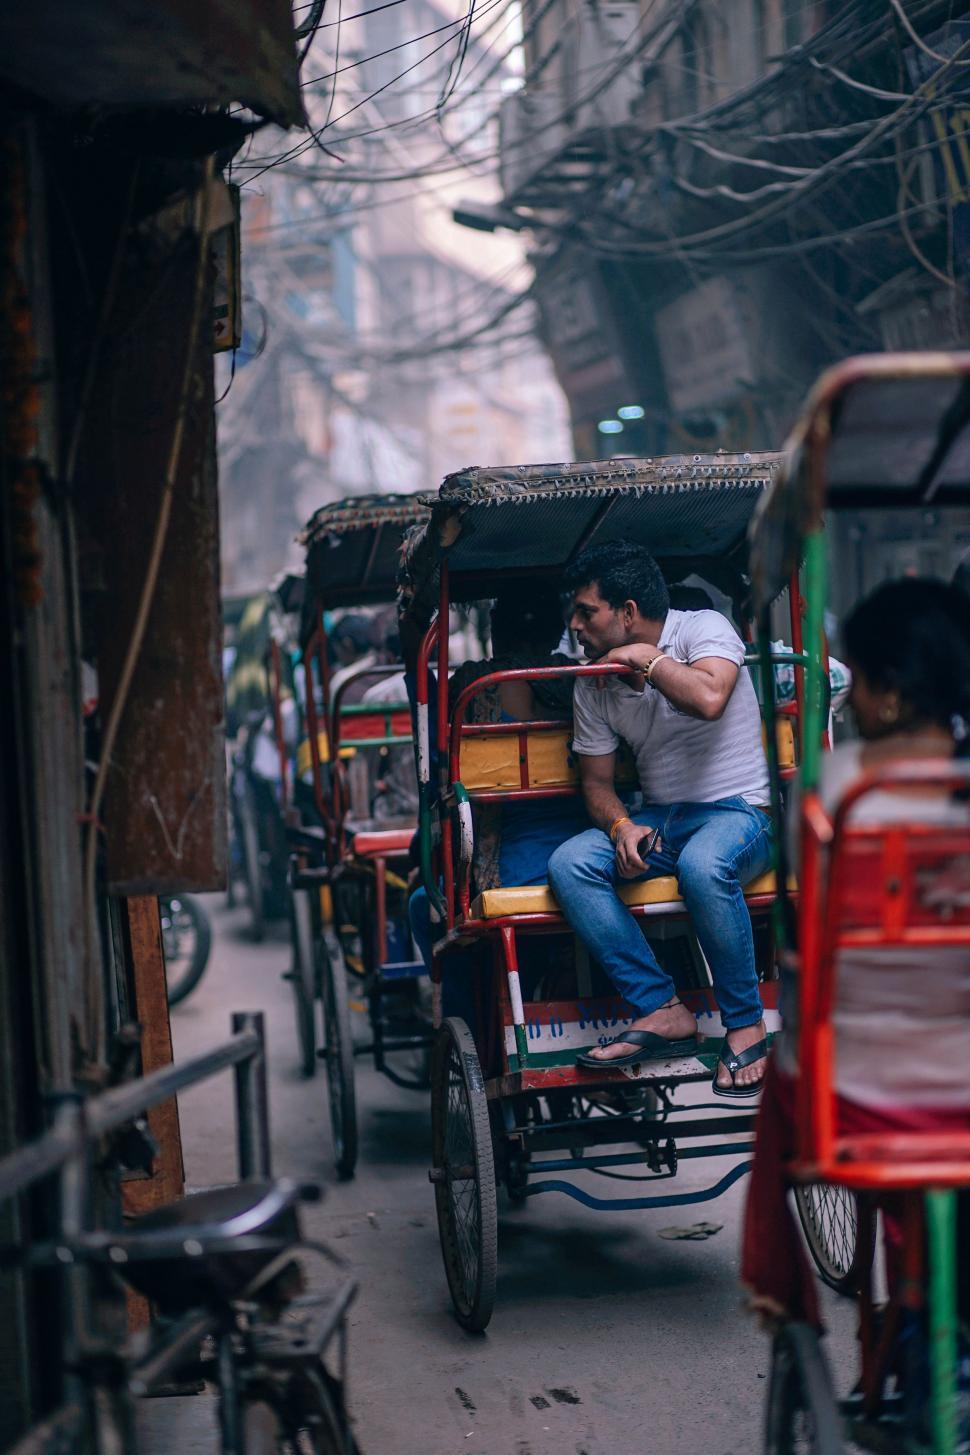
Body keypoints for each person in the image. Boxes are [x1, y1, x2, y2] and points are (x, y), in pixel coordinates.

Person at [742, 577, 970, 1327]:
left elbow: (806, 946)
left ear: (890, 692)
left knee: (785, 1074)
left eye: (861, 684)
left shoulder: (833, 792)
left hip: (867, 1089)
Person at [547, 540, 773, 1097]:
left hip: (742, 811)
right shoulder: (592, 681)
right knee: (570, 862)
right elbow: (596, 784)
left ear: (627, 613)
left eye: (586, 612)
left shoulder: (702, 629)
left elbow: (710, 697)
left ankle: (746, 1025)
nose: (575, 626)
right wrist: (623, 826)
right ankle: (661, 1006)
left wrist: (645, 658)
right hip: (662, 818)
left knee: (703, 867)